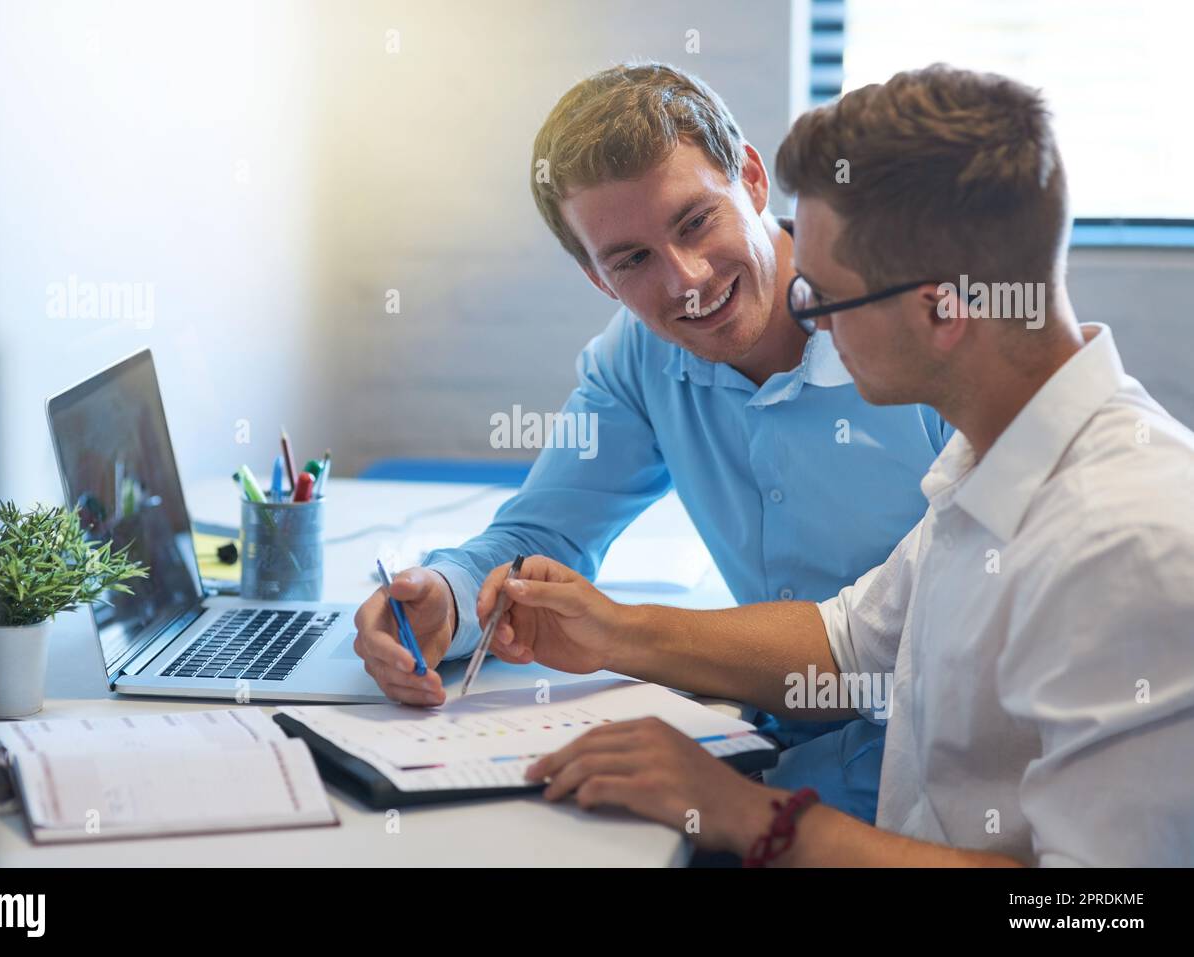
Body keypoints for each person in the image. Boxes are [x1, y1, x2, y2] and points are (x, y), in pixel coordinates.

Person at [476, 64, 1194, 866]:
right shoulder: (990, 458)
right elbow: (851, 643)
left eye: (823, 295)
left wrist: (757, 818)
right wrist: (613, 631)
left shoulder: (1132, 545)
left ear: (942, 310)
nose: (804, 317)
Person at [352, 62, 952, 822]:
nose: (686, 281)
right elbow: (543, 532)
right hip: (770, 752)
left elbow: (920, 641)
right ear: (596, 277)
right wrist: (445, 595)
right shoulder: (640, 355)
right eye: (631, 259)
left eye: (695, 220)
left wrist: (623, 636)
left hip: (921, 786)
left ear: (754, 179)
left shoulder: (916, 335)